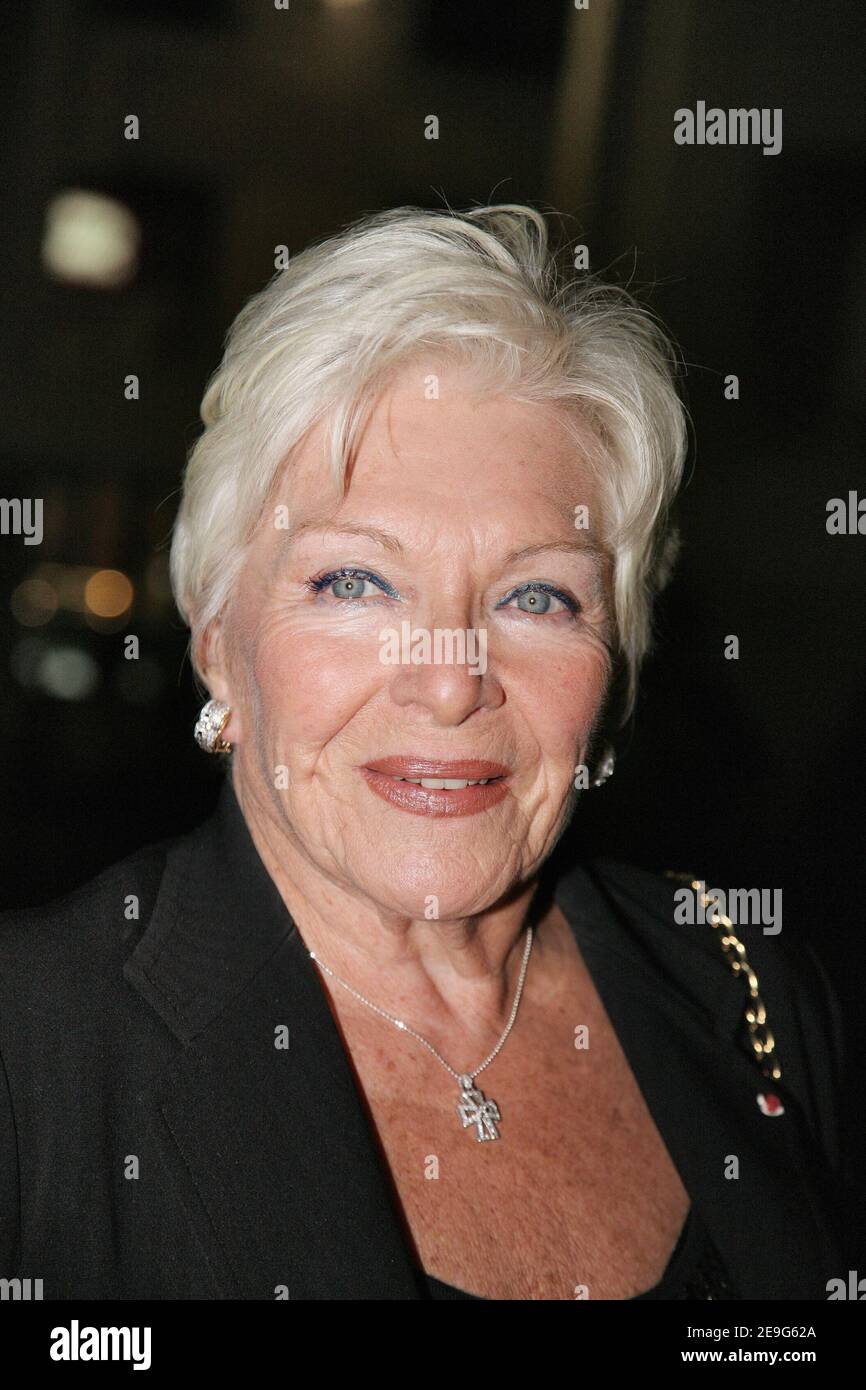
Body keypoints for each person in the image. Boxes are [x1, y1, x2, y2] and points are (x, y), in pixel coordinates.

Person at [0, 204, 845, 1300]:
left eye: (535, 594)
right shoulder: (35, 1054)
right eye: (352, 582)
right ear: (218, 643)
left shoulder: (750, 993)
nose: (449, 681)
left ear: (618, 659)